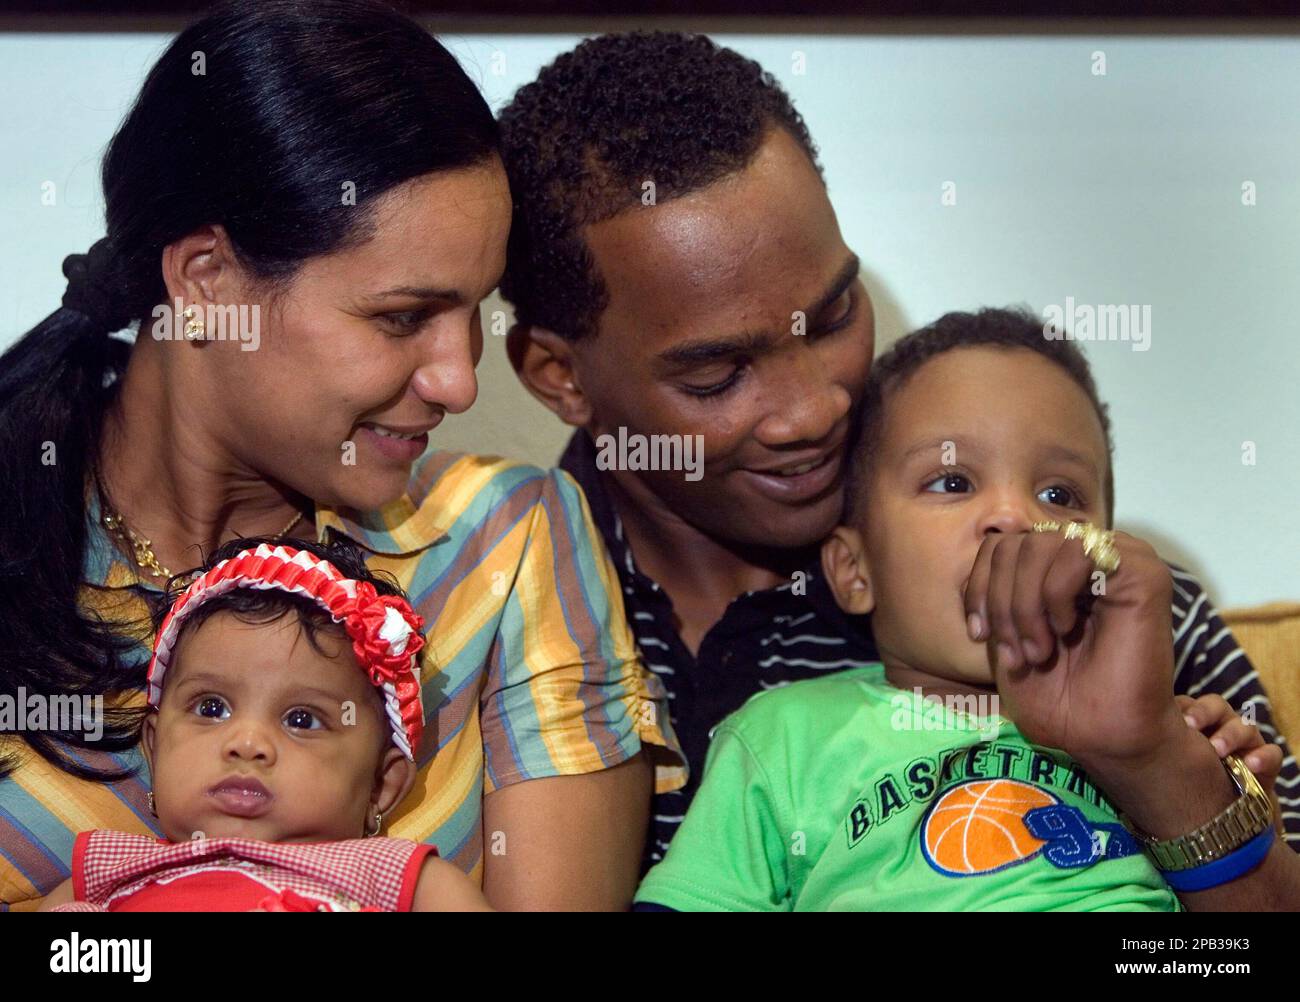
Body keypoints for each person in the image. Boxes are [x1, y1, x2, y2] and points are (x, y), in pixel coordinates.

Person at [497, 31, 1298, 868]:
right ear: (560, 375)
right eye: (719, 374)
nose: (816, 411)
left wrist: (1170, 778)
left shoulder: (1099, 602)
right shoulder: (491, 612)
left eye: (835, 315)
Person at [0, 0, 680, 912]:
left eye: (473, 312)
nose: (459, 381)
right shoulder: (22, 527)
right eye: (402, 317)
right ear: (207, 282)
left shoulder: (504, 542)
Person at [634, 308, 1294, 910]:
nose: (1015, 517)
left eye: (1061, 495)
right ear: (854, 570)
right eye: (952, 481)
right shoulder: (782, 738)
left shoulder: (1166, 727)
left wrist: (1160, 765)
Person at [40, 538, 491, 912]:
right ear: (155, 748)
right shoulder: (108, 871)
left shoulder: (396, 876)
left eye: (302, 719)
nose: (248, 743)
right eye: (211, 708)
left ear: (381, 786)